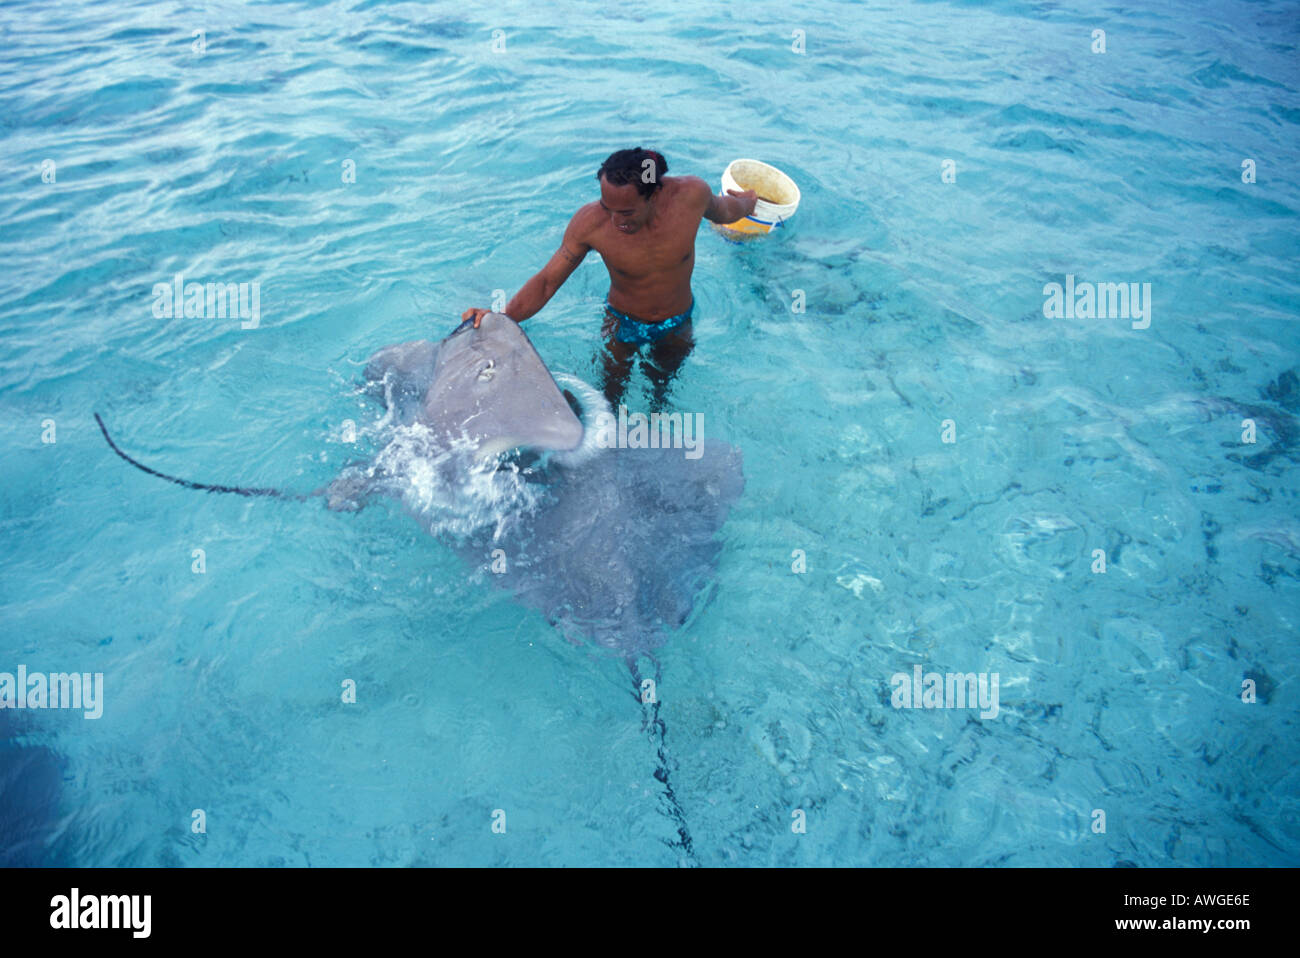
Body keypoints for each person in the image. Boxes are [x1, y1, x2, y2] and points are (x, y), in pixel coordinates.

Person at [461, 147, 757, 408]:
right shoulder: (590, 224)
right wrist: (501, 320)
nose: (616, 220)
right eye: (607, 207)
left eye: (626, 212)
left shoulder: (692, 196)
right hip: (622, 323)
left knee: (661, 395)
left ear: (654, 193)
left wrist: (749, 201)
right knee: (609, 397)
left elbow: (725, 212)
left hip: (677, 322)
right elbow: (547, 281)